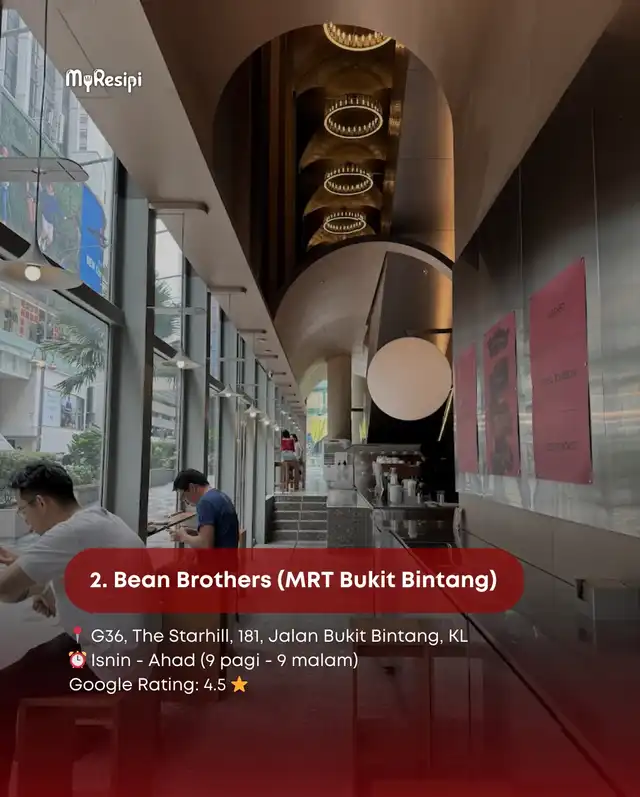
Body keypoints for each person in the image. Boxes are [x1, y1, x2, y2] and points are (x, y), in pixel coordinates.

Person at [0, 462, 156, 796]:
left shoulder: (67, 533)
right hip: (133, 653)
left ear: (41, 502)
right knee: (33, 666)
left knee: (6, 685)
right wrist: (38, 584)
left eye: (23, 509)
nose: (24, 519)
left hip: (105, 663)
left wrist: (19, 574)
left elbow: (6, 590)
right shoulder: (103, 520)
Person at [171, 469, 239, 549]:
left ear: (192, 487)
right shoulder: (220, 496)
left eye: (183, 494)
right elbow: (221, 534)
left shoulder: (205, 503)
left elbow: (205, 545)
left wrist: (183, 537)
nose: (182, 500)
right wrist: (195, 534)